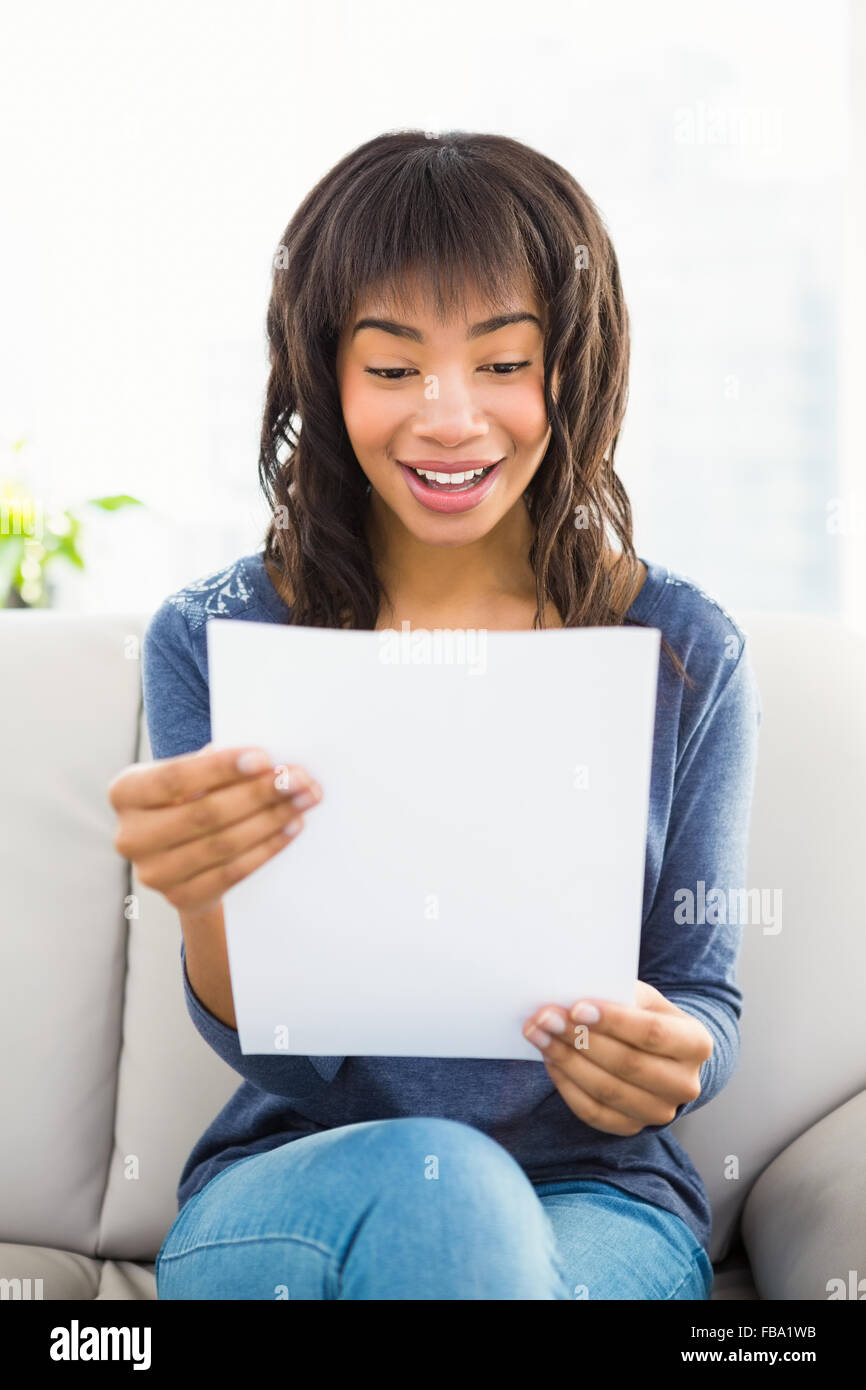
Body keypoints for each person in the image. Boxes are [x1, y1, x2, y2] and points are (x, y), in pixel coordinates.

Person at [108, 130, 761, 1300]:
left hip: (594, 1204)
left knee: (479, 1234)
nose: (449, 417)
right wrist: (207, 894)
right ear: (325, 375)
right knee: (441, 1181)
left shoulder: (683, 648)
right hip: (302, 1182)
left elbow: (698, 991)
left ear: (574, 369)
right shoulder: (218, 634)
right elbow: (280, 1047)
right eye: (394, 366)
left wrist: (674, 1061)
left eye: (503, 364)